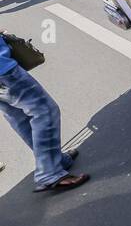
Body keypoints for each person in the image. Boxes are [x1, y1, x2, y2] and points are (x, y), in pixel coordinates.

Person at [0, 34, 88, 193]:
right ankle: (50, 173)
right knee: (44, 110)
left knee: (20, 117)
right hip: (3, 70)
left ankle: (54, 161)